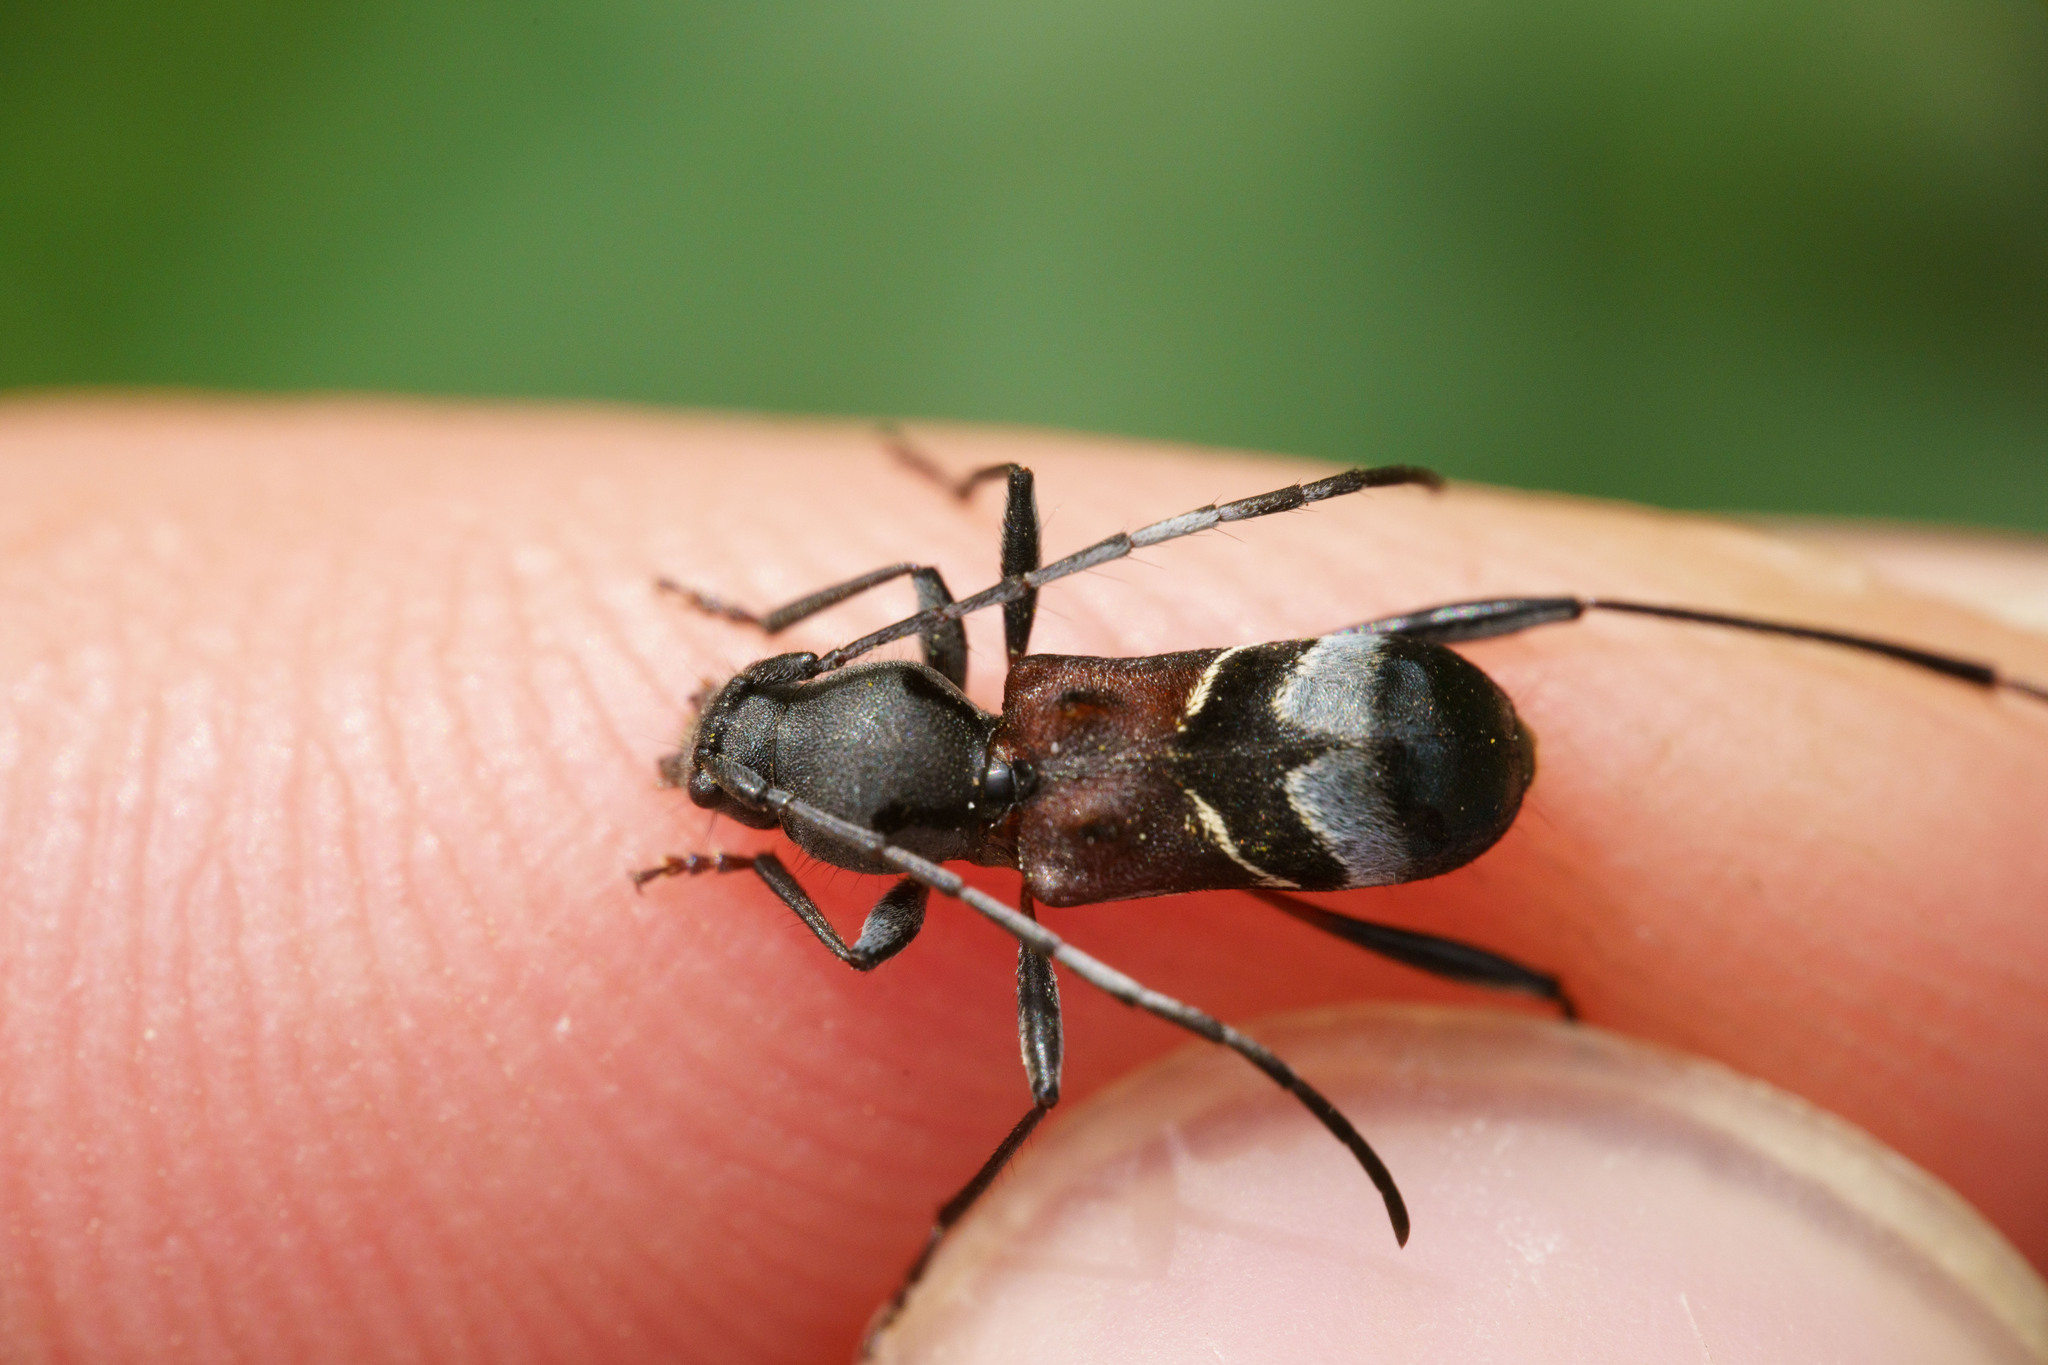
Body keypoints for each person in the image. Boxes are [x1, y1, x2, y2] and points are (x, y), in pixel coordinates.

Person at [2, 397, 2043, 1361]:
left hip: (1398, 761)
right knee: (1553, 658)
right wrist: (755, 801)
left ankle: (1904, 679)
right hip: (1373, 768)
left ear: (850, 761)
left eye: (778, 742)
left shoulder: (1035, 846)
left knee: (1097, 1061)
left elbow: (952, 915)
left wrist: (757, 874)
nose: (771, 735)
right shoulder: (1037, 711)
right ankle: (1932, 669)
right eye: (781, 801)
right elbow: (927, 598)